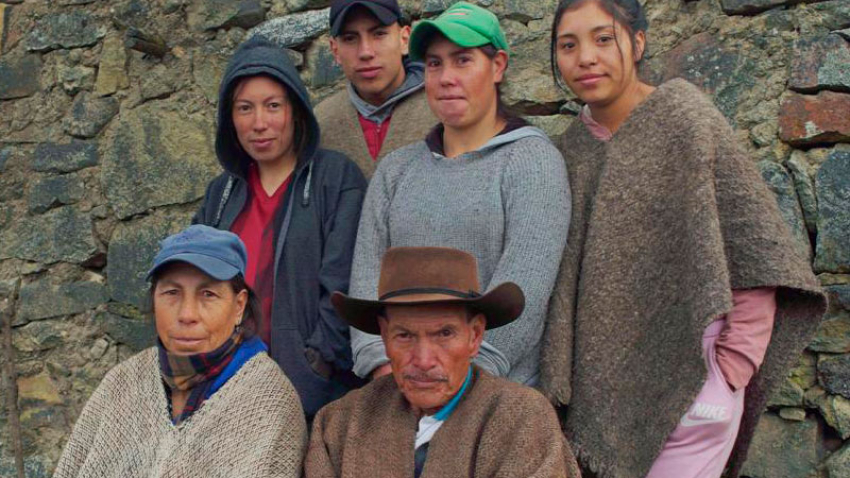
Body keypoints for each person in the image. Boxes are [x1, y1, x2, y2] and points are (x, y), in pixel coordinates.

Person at [541, 1, 827, 477]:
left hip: (693, 380)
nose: (585, 57)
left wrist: (729, 372)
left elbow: (754, 250)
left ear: (638, 42)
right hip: (599, 394)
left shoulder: (685, 117)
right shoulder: (570, 151)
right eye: (568, 45)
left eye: (603, 39)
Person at [349, 2, 570, 388]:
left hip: (494, 396)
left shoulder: (532, 162)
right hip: (400, 387)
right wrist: (384, 366)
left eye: (463, 61)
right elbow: (368, 277)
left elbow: (524, 292)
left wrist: (463, 383)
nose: (446, 78)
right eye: (435, 64)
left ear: (497, 66)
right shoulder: (396, 170)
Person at [193, 36, 367, 420]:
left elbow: (345, 284)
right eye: (245, 108)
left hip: (312, 398)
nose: (260, 123)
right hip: (227, 395)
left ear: (295, 110)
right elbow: (193, 284)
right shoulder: (221, 195)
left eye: (273, 105)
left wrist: (315, 366)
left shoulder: (335, 179)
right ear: (230, 118)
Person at [53, 225, 306, 478]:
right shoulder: (121, 384)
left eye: (208, 294)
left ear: (239, 305)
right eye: (172, 292)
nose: (187, 314)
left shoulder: (270, 402)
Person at [305, 247, 580, 478]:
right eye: (404, 335)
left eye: (444, 334)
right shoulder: (340, 424)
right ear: (385, 337)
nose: (424, 360)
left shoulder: (521, 418)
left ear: (475, 336)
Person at [314, 0, 438, 178]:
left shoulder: (442, 108)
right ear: (335, 50)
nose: (366, 52)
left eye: (379, 34)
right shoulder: (320, 124)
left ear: (404, 39)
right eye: (350, 38)